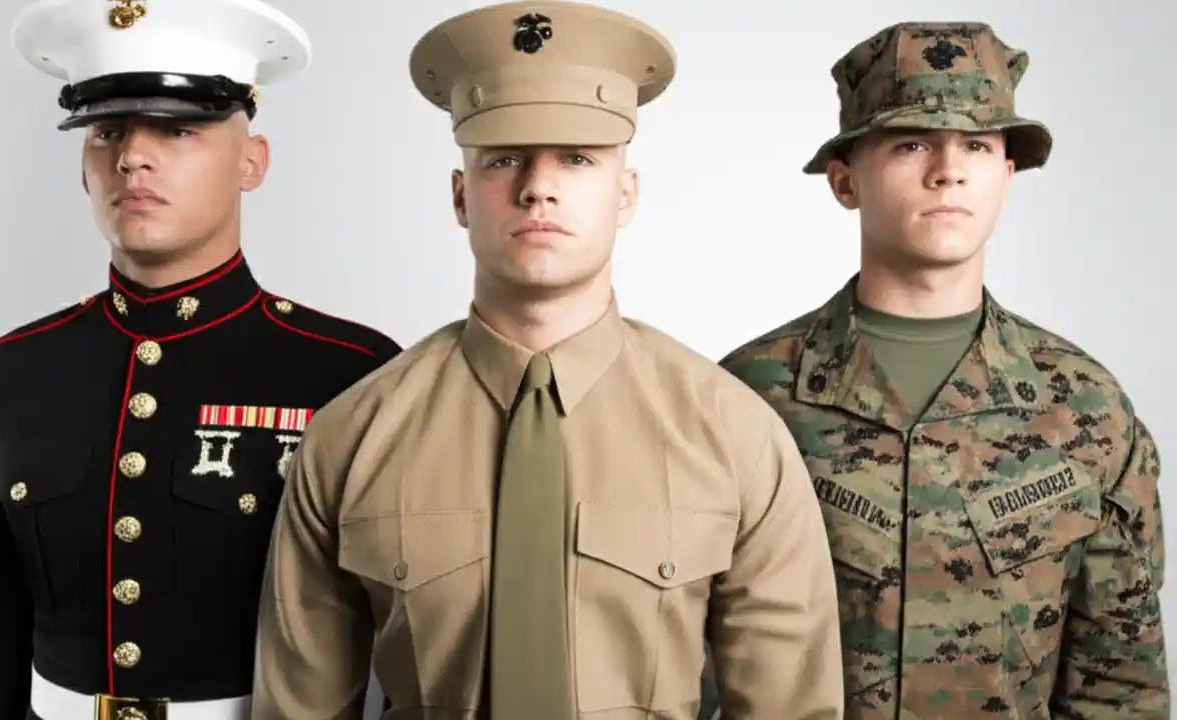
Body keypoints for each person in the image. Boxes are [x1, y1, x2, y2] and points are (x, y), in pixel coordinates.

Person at [249, 2, 844, 718]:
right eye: (503, 158)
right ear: (460, 196)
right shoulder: (353, 436)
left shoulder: (735, 435)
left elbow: (790, 708)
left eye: (577, 158)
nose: (538, 186)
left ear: (626, 194)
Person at [0, 1, 401, 718]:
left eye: (178, 130)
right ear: (84, 167)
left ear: (252, 162)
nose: (132, 157)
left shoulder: (352, 373)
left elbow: (410, 637)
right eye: (107, 132)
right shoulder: (7, 374)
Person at [718, 21, 1168, 718]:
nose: (948, 169)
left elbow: (1119, 690)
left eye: (978, 145)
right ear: (844, 180)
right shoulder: (747, 397)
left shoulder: (1086, 407)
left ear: (1005, 177)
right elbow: (687, 661)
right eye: (911, 142)